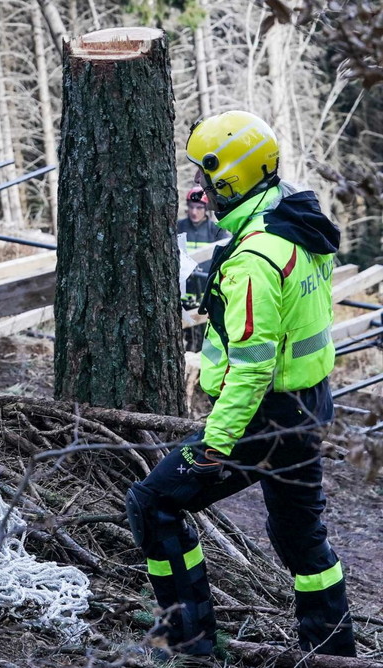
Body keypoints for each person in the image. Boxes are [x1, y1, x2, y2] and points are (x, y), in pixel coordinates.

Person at [126, 110, 354, 658]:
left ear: (229, 179)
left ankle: (188, 643)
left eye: (207, 177)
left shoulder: (254, 257)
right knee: (303, 542)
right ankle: (331, 652)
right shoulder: (297, 219)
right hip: (308, 405)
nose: (200, 188)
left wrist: (215, 445)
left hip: (262, 418)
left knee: (153, 503)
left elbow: (252, 366)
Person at [178, 176, 230, 305]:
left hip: (206, 298)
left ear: (206, 209)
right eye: (192, 207)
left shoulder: (217, 231)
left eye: (199, 208)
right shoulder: (178, 228)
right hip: (182, 298)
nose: (194, 212)